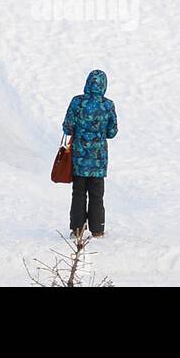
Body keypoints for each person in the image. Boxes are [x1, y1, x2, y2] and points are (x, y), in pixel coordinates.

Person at [62, 70, 118, 238]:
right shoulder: (108, 105)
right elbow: (112, 132)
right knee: (97, 195)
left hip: (79, 156)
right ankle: (98, 230)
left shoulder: (77, 102)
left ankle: (77, 229)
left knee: (78, 193)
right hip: (98, 158)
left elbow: (67, 127)